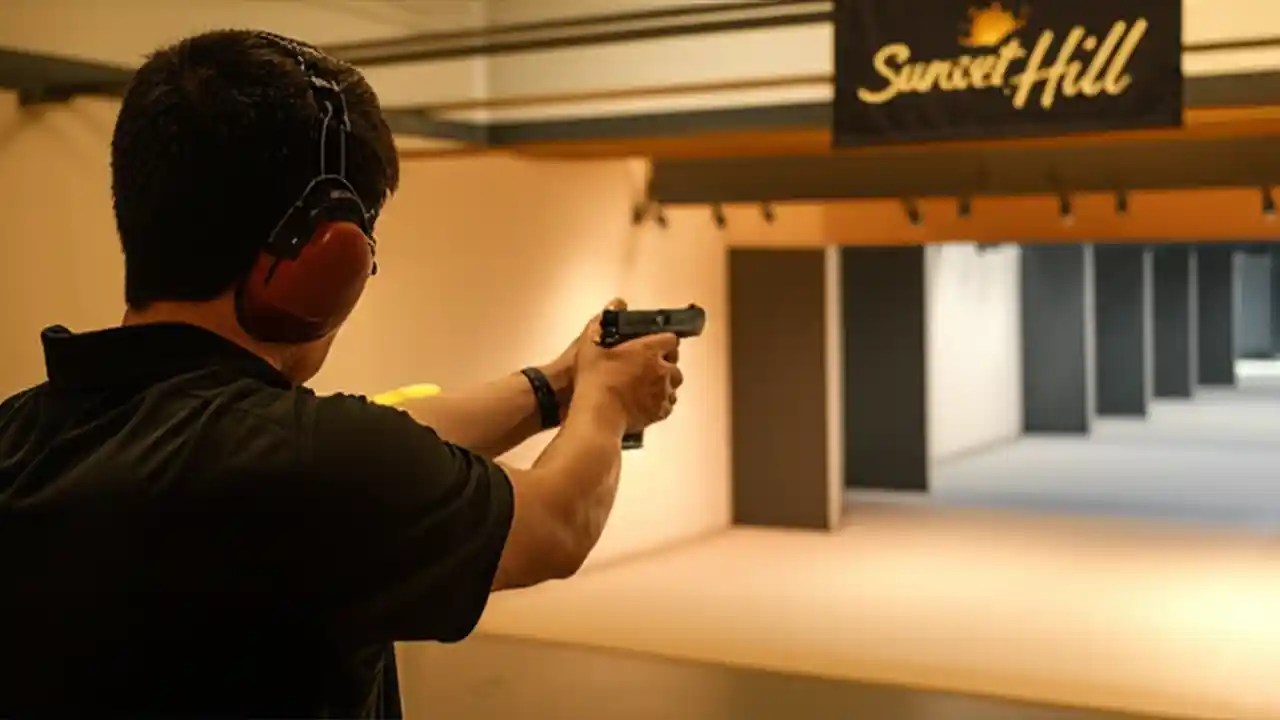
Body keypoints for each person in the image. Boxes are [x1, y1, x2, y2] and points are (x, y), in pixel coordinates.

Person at [0, 30, 684, 718]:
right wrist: (612, 402)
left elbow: (376, 436)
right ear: (330, 255)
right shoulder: (307, 465)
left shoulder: (25, 435)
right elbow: (558, 522)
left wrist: (558, 386)